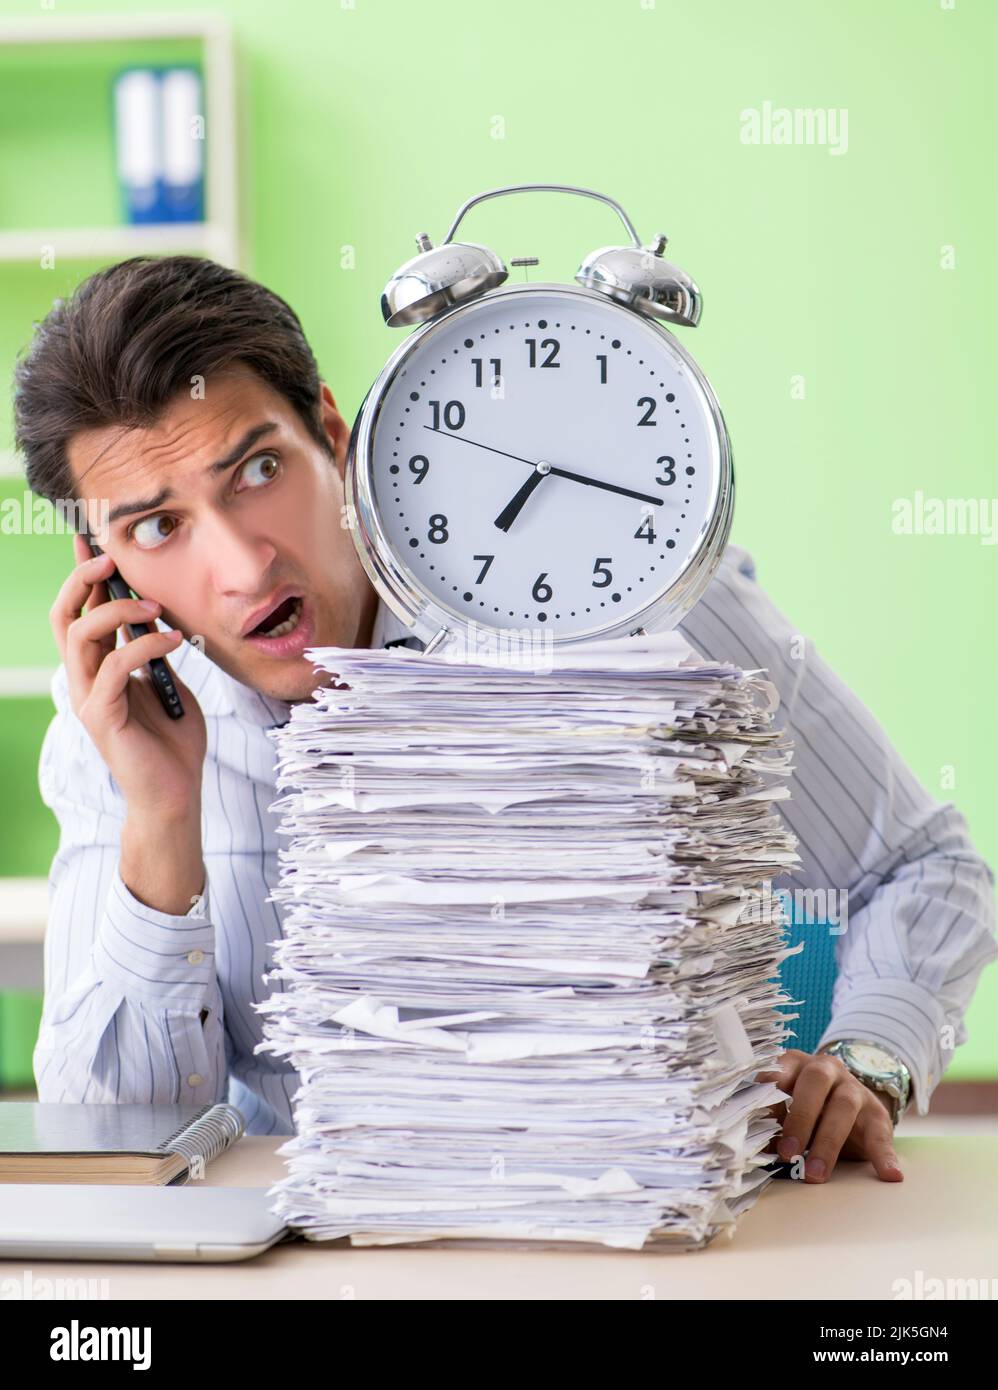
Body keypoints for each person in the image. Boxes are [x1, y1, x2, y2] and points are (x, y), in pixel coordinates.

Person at [14, 255, 997, 1180]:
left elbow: (920, 869)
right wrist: (160, 818)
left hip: (622, 1224)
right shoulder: (120, 728)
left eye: (257, 472)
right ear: (106, 572)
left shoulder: (613, 582)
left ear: (333, 432)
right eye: (157, 526)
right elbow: (114, 1142)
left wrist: (866, 1054)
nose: (239, 566)